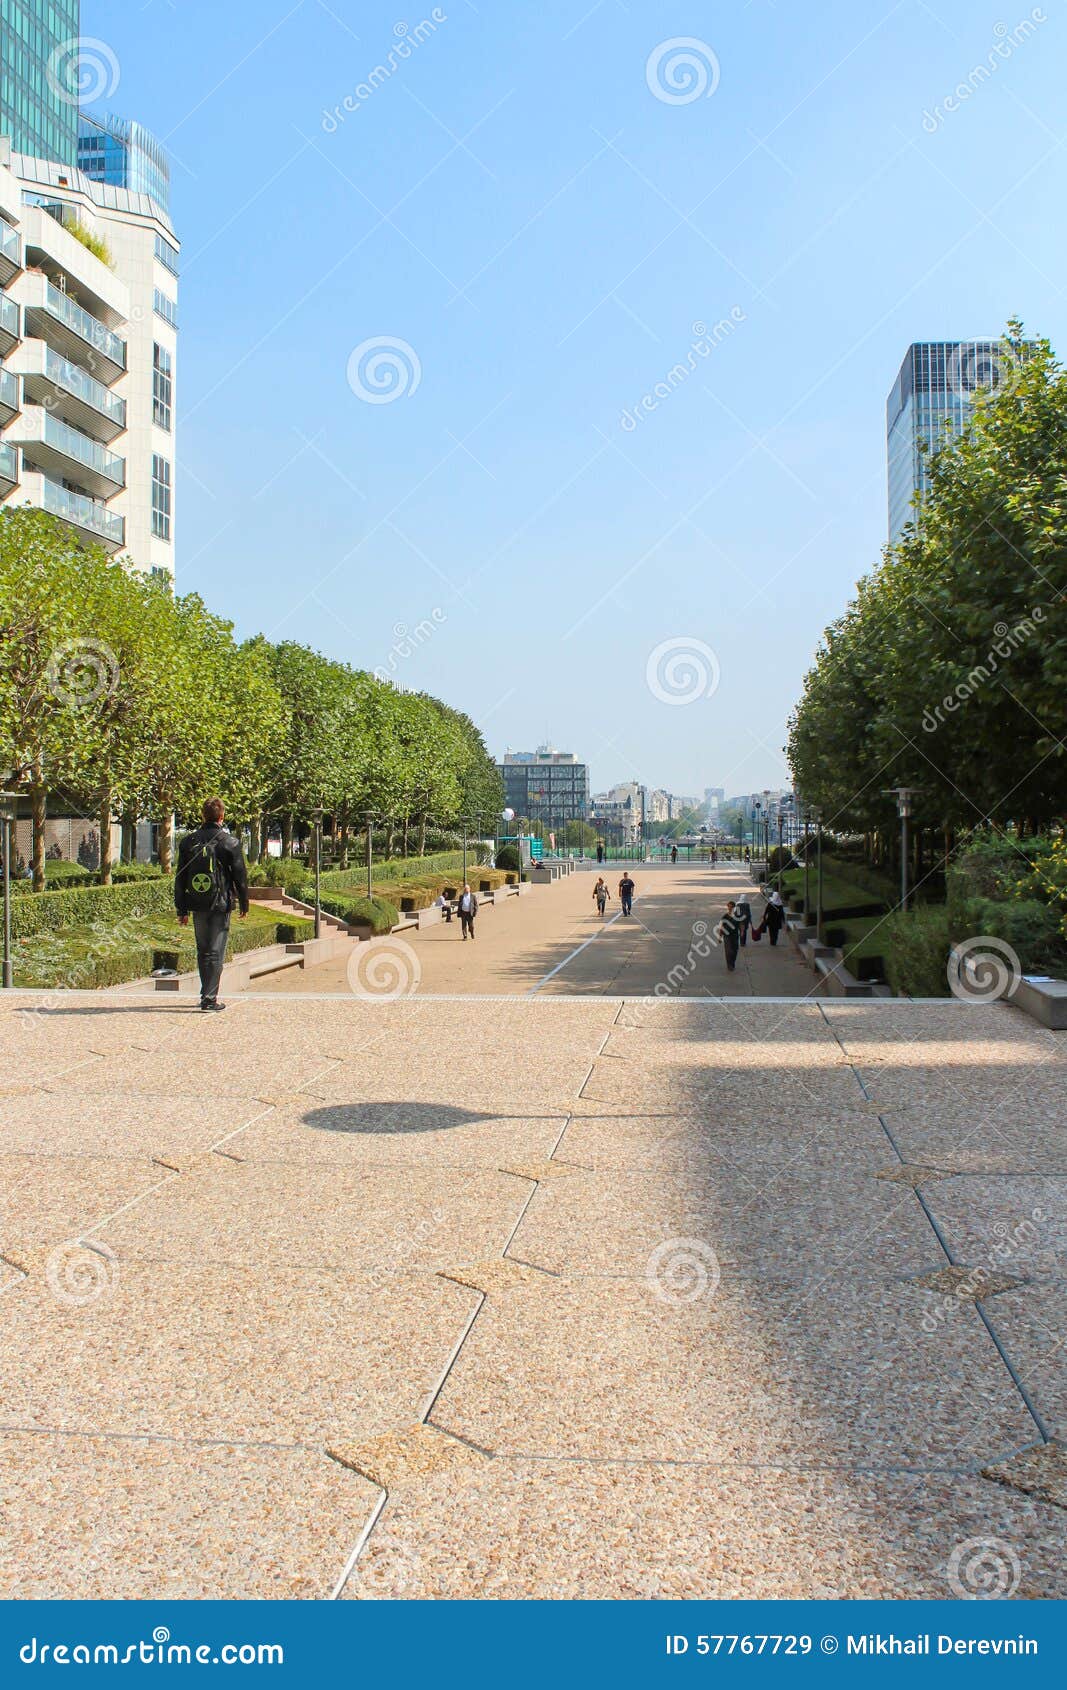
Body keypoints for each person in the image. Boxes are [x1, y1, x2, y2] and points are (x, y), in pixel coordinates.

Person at [175, 797, 249, 1012]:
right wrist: (244, 902)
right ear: (222, 816)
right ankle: (209, 999)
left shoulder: (188, 842)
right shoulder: (230, 842)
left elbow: (180, 876)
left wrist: (181, 908)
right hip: (220, 903)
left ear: (202, 815)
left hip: (198, 903)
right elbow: (240, 877)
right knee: (216, 950)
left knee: (203, 950)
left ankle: (206, 993)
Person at [717, 899, 742, 972]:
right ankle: (729, 965)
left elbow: (741, 924)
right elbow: (721, 927)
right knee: (728, 951)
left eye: (731, 907)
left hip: (735, 936)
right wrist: (720, 937)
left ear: (734, 907)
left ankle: (732, 963)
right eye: (729, 907)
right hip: (727, 936)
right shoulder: (725, 916)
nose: (730, 908)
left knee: (735, 950)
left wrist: (742, 931)